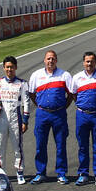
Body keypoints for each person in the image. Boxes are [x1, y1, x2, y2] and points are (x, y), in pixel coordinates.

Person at [27, 49, 74, 184]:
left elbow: (71, 94)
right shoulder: (36, 75)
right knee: (40, 144)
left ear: (56, 60)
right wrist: (40, 105)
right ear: (44, 60)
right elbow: (31, 94)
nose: (50, 61)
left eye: (53, 58)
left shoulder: (65, 75)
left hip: (59, 114)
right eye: (48, 58)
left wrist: (64, 106)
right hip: (42, 114)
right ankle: (40, 172)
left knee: (61, 144)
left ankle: (61, 173)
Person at [0, 56, 30, 183]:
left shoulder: (22, 83)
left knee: (17, 147)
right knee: (0, 147)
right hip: (1, 119)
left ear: (16, 67)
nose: (9, 69)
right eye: (7, 67)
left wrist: (25, 120)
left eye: (11, 67)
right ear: (4, 68)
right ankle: (1, 173)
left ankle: (20, 172)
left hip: (16, 119)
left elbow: (26, 103)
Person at [71, 51, 96, 186]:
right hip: (82, 115)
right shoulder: (76, 77)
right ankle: (83, 173)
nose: (89, 63)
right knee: (82, 146)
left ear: (95, 62)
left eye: (92, 61)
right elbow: (74, 95)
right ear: (83, 63)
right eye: (87, 61)